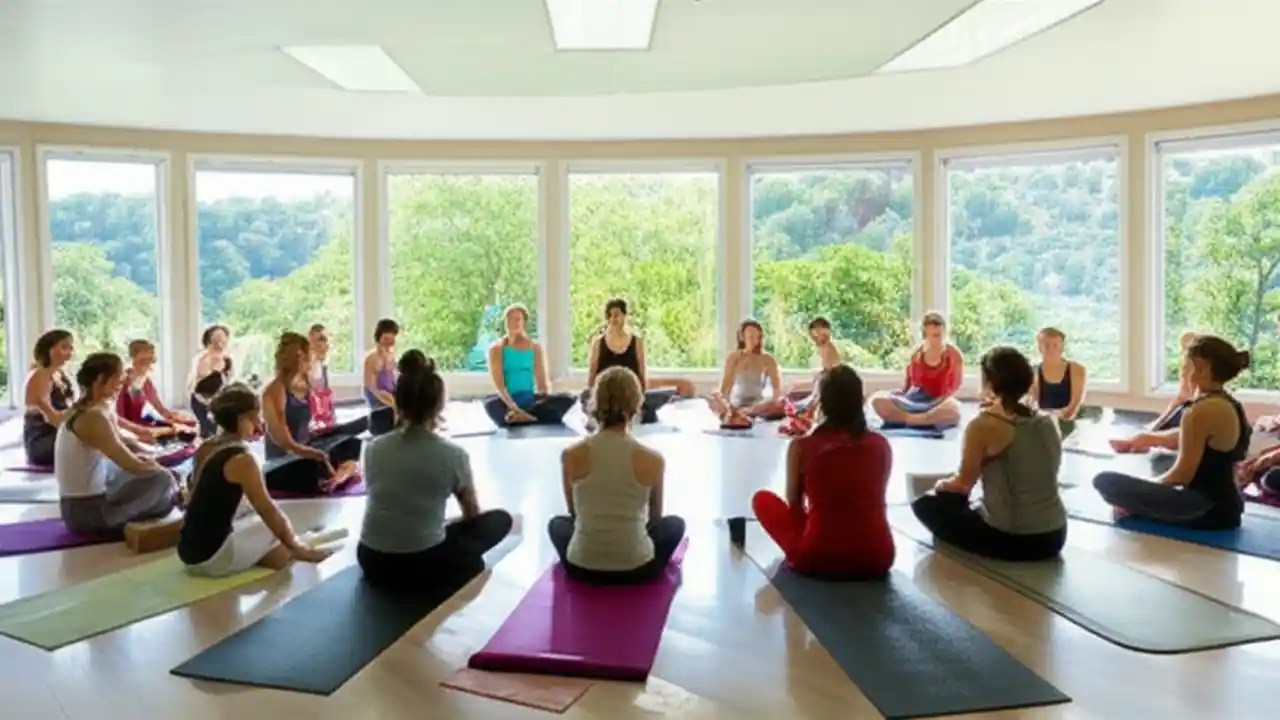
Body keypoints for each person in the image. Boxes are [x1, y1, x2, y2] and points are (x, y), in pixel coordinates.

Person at [358, 350, 513, 594]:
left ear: (398, 402)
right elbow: (471, 513)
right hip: (421, 564)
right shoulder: (452, 455)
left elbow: (390, 498)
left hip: (371, 560)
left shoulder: (372, 449)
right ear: (439, 404)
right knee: (500, 521)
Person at [911, 346, 1067, 561]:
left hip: (1015, 538)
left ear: (989, 382)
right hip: (1056, 534)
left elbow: (963, 484)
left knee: (924, 505)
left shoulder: (984, 425)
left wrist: (940, 486)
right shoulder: (1048, 421)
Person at [1094, 335, 1252, 530]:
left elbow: (1182, 475)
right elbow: (1182, 437)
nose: (1183, 370)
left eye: (1186, 364)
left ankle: (1142, 509)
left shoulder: (1200, 411)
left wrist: (1145, 490)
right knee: (1161, 459)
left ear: (1200, 367)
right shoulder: (1228, 403)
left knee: (1105, 481)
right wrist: (1144, 439)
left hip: (1205, 510)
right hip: (1228, 507)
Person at [752, 365, 894, 578]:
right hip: (878, 556)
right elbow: (873, 495)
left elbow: (795, 506)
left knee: (762, 500)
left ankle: (817, 537)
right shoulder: (881, 445)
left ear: (822, 403)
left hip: (817, 558)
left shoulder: (802, 447)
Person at [179, 384, 335, 576]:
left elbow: (195, 499)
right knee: (278, 525)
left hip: (187, 553)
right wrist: (299, 548)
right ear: (241, 419)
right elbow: (267, 510)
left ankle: (272, 554)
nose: (259, 423)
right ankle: (283, 552)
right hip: (211, 559)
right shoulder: (243, 460)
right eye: (255, 417)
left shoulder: (206, 447)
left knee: (267, 530)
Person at [549, 366, 686, 584]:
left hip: (581, 567)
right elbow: (655, 519)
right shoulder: (653, 459)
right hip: (637, 568)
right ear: (636, 405)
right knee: (675, 525)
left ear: (594, 403)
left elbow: (574, 514)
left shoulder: (570, 455)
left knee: (557, 524)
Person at [54, 352, 180, 536]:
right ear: (99, 380)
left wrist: (153, 453)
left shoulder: (92, 407)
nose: (122, 380)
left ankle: (162, 502)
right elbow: (132, 465)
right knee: (161, 480)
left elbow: (123, 441)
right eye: (117, 376)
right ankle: (162, 503)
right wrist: (168, 475)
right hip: (87, 514)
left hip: (86, 501)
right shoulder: (92, 418)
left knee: (151, 474)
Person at [262, 332, 362, 495]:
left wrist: (330, 437)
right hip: (282, 463)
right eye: (309, 355)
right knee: (313, 464)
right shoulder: (275, 391)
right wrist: (318, 455)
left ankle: (338, 478)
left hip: (306, 450)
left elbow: (306, 430)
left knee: (350, 442)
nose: (311, 359)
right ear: (299, 358)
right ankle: (333, 477)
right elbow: (285, 443)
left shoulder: (304, 385)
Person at [583, 298, 688, 426]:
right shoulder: (598, 342)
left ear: (625, 316)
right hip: (606, 398)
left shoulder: (636, 341)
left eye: (616, 315)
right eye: (609, 316)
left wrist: (643, 395)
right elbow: (592, 373)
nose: (613, 319)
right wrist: (591, 395)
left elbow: (642, 372)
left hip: (631, 397)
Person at [484, 304, 575, 427]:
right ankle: (525, 416)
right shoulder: (496, 349)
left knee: (567, 398)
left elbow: (543, 385)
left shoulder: (535, 348)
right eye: (510, 319)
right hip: (507, 401)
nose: (513, 323)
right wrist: (513, 407)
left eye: (517, 319)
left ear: (524, 322)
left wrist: (545, 402)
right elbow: (499, 385)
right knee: (490, 404)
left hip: (530, 401)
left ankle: (524, 417)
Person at [1111, 330, 1200, 453]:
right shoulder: (1186, 369)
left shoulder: (1208, 404)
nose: (1184, 354)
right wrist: (1152, 428)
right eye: (1184, 350)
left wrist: (1149, 437)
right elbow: (1181, 397)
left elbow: (1189, 432)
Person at [870, 312, 964, 429]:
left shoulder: (954, 355)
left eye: (940, 335)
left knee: (954, 411)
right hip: (914, 401)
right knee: (877, 400)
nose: (938, 339)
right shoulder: (917, 354)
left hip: (939, 402)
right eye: (934, 335)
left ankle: (911, 419)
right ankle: (920, 420)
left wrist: (940, 401)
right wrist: (899, 395)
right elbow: (909, 385)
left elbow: (955, 385)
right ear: (925, 335)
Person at [116, 339, 198, 442]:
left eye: (150, 355)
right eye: (144, 355)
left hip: (150, 419)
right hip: (135, 424)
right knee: (176, 431)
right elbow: (120, 414)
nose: (148, 359)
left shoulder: (146, 381)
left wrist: (173, 416)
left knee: (190, 424)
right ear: (133, 356)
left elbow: (158, 407)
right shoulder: (124, 381)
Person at [707, 320, 784, 428]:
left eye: (756, 337)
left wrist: (774, 401)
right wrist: (724, 403)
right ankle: (732, 414)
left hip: (757, 404)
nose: (753, 340)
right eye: (750, 336)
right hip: (735, 403)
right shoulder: (734, 357)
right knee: (713, 395)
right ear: (742, 337)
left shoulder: (768, 359)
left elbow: (777, 390)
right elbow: (725, 386)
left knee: (780, 403)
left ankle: (740, 415)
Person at [780, 317, 844, 436]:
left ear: (827, 332)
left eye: (820, 334)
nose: (816, 338)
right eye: (813, 335)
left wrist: (813, 405)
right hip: (821, 388)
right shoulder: (822, 349)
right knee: (790, 402)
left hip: (830, 391)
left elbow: (831, 378)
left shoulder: (828, 349)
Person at [306, 322, 370, 438]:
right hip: (313, 432)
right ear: (310, 342)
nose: (326, 345)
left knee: (367, 422)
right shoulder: (303, 373)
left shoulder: (323, 369)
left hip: (327, 427)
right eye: (321, 339)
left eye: (327, 340)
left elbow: (328, 408)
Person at [23, 329, 76, 467]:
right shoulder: (40, 375)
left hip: (59, 435)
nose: (69, 353)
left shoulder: (59, 375)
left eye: (71, 348)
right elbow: (52, 419)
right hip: (43, 442)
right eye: (64, 347)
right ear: (48, 349)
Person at [1029, 327, 1088, 435]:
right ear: (1039, 347)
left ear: (1062, 347)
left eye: (1055, 345)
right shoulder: (1033, 371)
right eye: (1046, 345)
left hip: (1070, 424)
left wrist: (1059, 417)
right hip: (1042, 424)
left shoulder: (1077, 369)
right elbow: (1033, 402)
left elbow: (1075, 403)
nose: (1051, 349)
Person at [189, 324, 234, 438]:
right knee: (210, 434)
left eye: (223, 341)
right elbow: (198, 387)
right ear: (208, 343)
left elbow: (228, 382)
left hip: (219, 403)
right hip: (203, 402)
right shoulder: (203, 359)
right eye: (216, 341)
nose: (220, 345)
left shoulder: (228, 360)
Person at [363, 318, 399, 436]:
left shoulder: (391, 356)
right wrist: (392, 404)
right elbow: (371, 387)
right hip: (377, 396)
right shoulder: (372, 359)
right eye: (386, 339)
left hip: (390, 393)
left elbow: (394, 379)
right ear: (379, 338)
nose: (389, 342)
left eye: (392, 339)